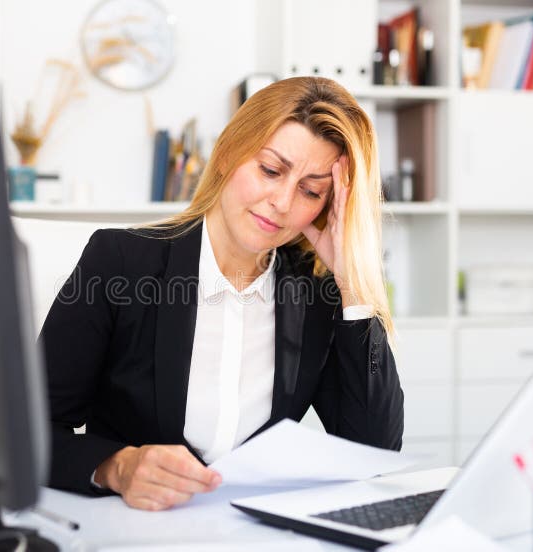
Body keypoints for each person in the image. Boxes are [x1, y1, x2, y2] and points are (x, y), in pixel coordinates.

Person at [40, 76, 404, 511]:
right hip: (135, 525)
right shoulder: (120, 262)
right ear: (229, 152)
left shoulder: (318, 294)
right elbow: (29, 430)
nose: (283, 202)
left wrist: (353, 283)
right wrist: (117, 467)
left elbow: (373, 452)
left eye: (311, 191)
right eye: (270, 170)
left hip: (251, 530)